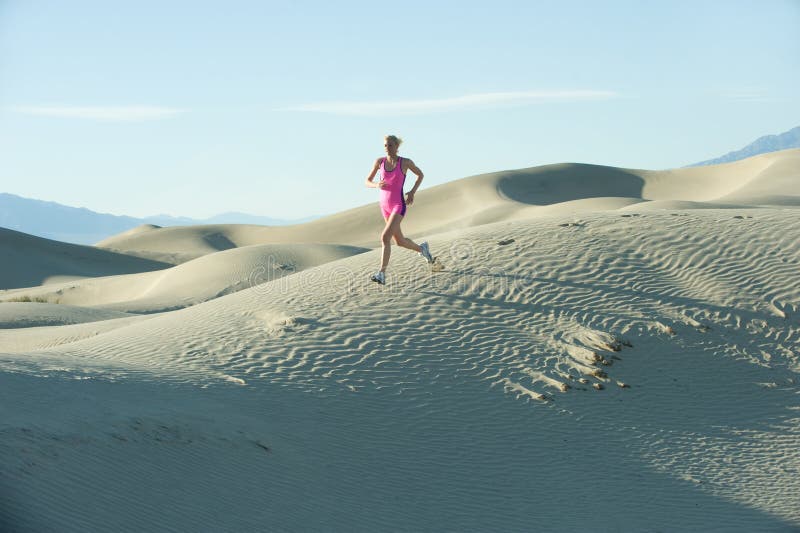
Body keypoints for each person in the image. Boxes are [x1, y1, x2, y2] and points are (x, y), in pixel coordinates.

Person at [364, 134, 434, 284]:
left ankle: (381, 273)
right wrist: (376, 185)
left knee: (384, 237)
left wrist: (412, 192)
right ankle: (423, 250)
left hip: (398, 205)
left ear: (396, 147)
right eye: (385, 145)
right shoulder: (379, 162)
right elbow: (367, 181)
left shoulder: (405, 162)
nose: (387, 148)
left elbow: (420, 175)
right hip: (384, 206)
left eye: (390, 145)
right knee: (400, 241)